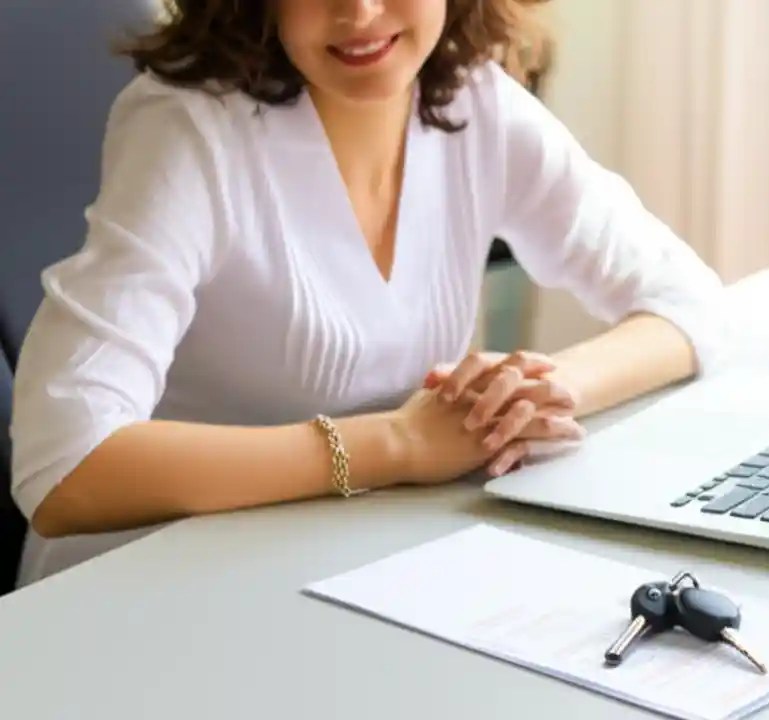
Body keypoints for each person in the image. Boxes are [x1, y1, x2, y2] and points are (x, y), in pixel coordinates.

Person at [8, 0, 724, 587]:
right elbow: (64, 464)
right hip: (143, 589)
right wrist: (397, 443)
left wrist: (535, 389)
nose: (360, 11)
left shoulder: (473, 100)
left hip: (349, 569)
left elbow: (688, 301)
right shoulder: (192, 129)